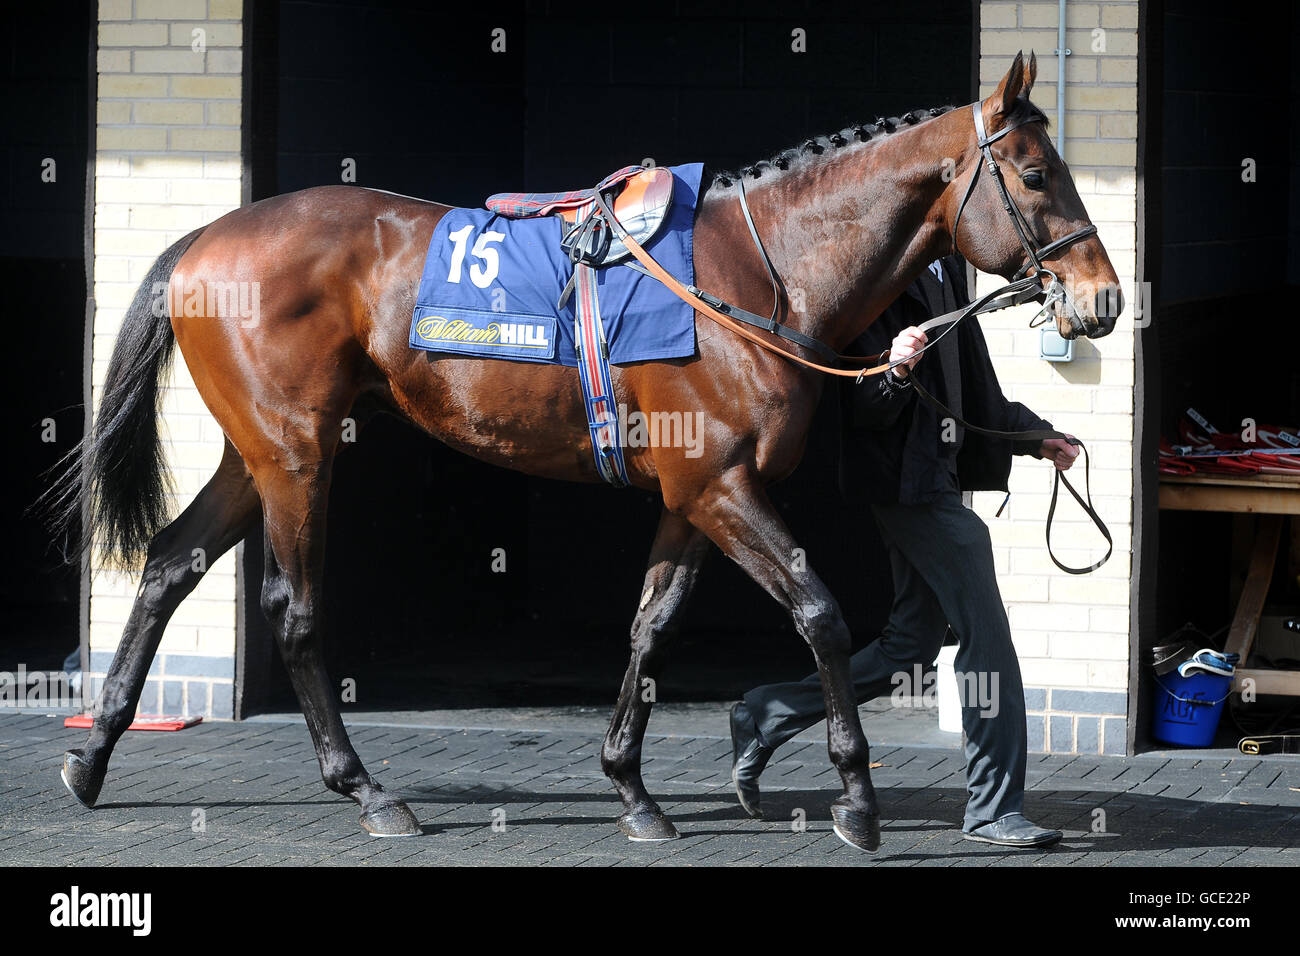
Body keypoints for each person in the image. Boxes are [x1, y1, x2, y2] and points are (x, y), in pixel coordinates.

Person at [729, 254, 1079, 848]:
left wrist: (1034, 436)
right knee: (986, 635)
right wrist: (891, 371)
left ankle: (766, 714)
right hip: (903, 487)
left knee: (911, 643)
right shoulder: (878, 274)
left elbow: (974, 395)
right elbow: (860, 408)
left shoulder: (949, 276)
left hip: (935, 479)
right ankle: (994, 809)